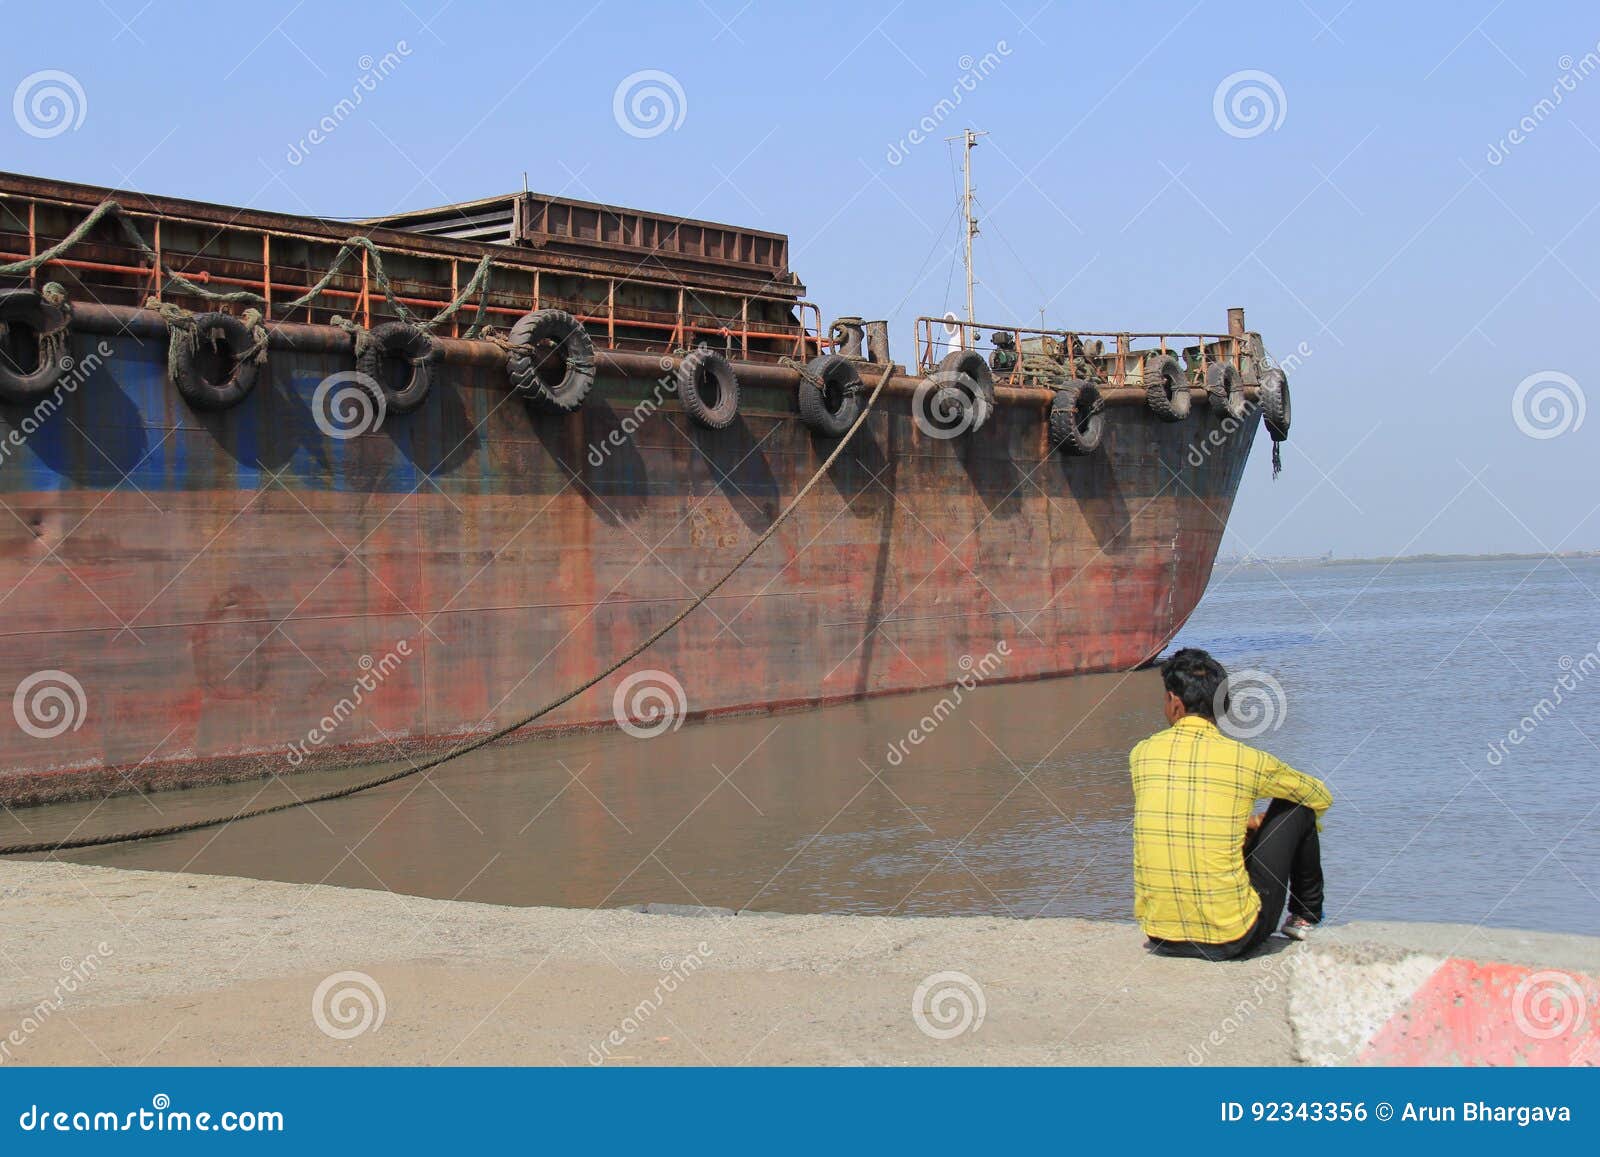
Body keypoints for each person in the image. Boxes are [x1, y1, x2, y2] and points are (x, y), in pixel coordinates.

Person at [1130, 648, 1331, 960]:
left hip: (1160, 935)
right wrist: (1263, 826)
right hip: (1231, 939)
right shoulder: (1246, 759)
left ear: (1174, 702)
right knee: (1298, 806)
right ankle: (1305, 915)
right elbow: (1319, 794)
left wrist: (1246, 825)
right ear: (1222, 705)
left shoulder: (1142, 754)